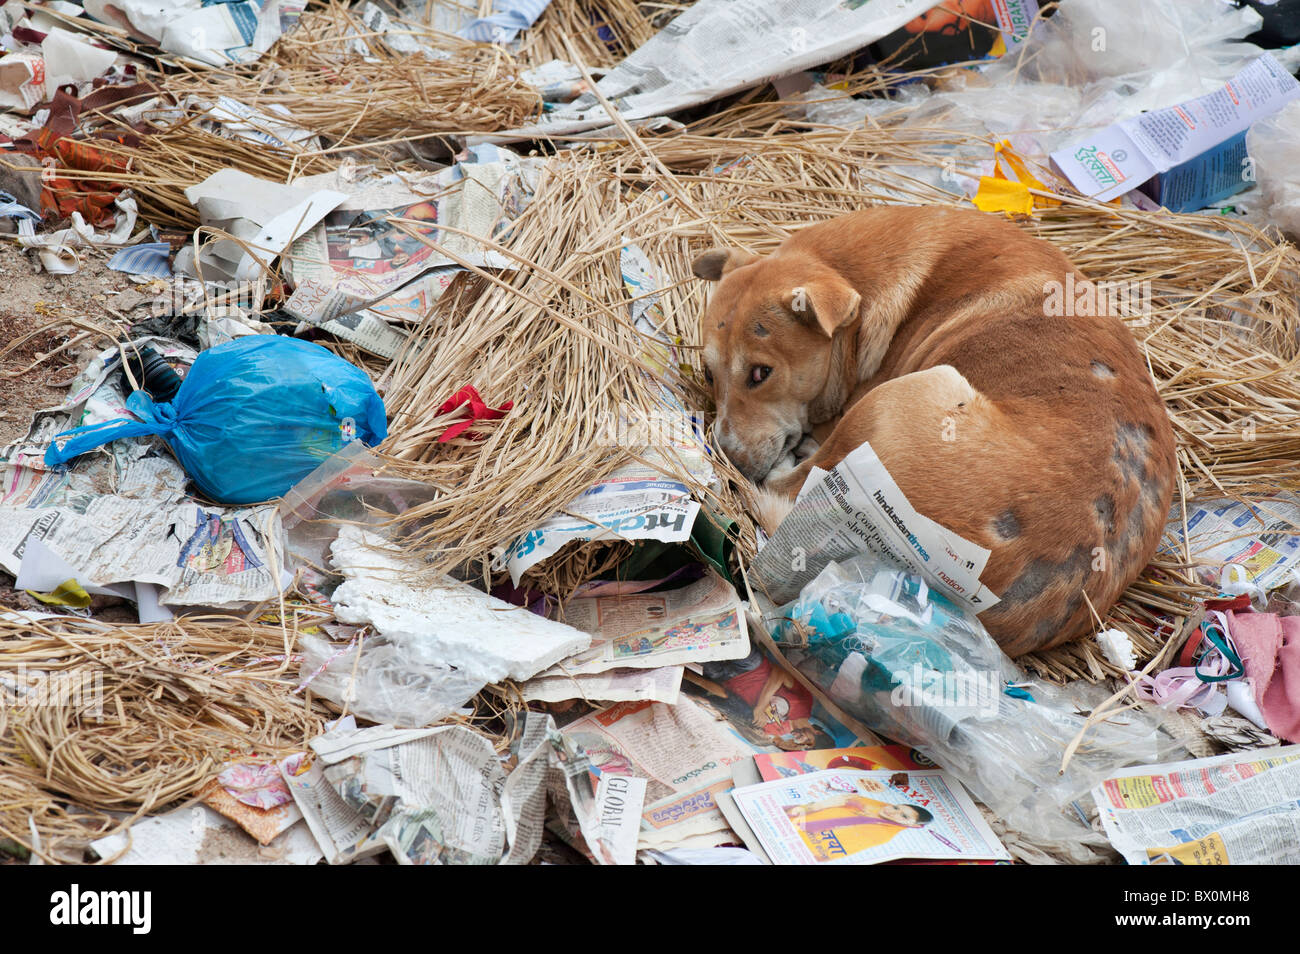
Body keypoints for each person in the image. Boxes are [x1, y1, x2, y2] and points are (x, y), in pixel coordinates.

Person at [785, 778, 933, 860]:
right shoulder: (866, 802)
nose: (893, 812)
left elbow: (822, 854)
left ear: (914, 826)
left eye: (904, 816)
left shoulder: (879, 836)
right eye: (896, 807)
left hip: (794, 844)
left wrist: (818, 806)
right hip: (789, 818)